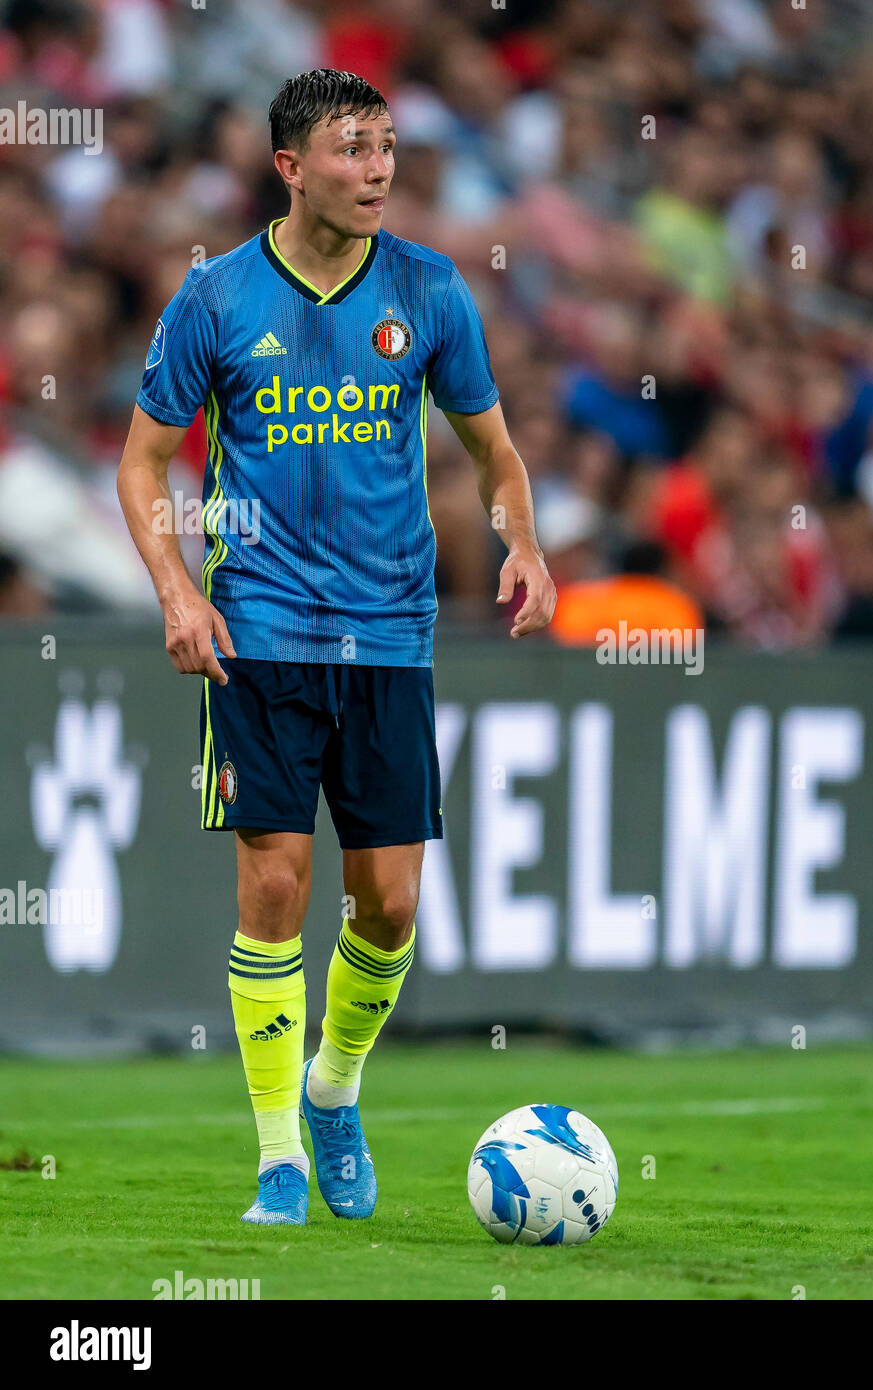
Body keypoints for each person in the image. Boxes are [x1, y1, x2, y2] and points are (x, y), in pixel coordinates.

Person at [115, 69, 555, 1226]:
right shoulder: (213, 299)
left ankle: (333, 1087)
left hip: (391, 635)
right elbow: (141, 462)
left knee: (392, 906)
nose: (378, 170)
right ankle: (277, 1161)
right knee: (273, 881)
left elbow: (494, 455)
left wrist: (523, 544)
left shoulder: (429, 291)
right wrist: (176, 591)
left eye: (388, 148)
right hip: (256, 627)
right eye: (353, 150)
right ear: (292, 165)